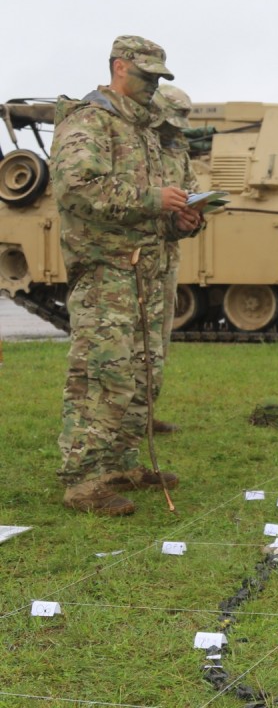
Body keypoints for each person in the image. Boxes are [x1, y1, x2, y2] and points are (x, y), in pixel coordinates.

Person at [51, 35, 202, 516]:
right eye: (146, 77)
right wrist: (151, 200)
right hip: (106, 274)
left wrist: (184, 220)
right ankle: (82, 479)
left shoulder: (145, 131)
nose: (153, 87)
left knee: (143, 376)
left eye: (159, 79)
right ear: (119, 68)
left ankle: (120, 464)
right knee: (103, 376)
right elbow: (77, 189)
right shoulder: (90, 121)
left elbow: (173, 195)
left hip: (147, 274)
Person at [149, 84, 200, 434]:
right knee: (127, 345)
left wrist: (193, 217)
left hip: (166, 258)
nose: (175, 127)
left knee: (157, 342)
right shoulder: (135, 143)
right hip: (133, 258)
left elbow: (191, 189)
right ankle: (120, 422)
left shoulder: (177, 149)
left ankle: (144, 415)